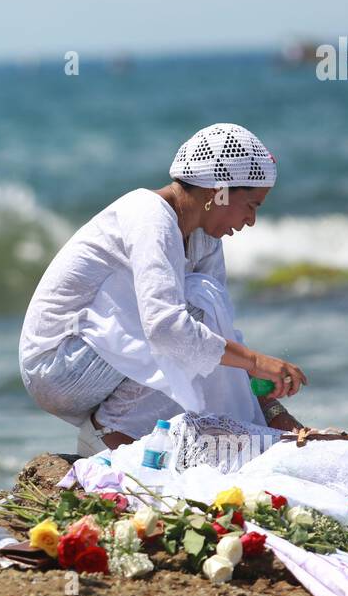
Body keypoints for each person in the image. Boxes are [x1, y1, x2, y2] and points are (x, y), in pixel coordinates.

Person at [19, 123, 308, 457]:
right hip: (58, 368)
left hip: (96, 362)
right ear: (220, 193)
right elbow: (166, 329)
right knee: (193, 308)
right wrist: (256, 362)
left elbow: (220, 329)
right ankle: (107, 431)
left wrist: (274, 412)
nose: (251, 221)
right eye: (252, 206)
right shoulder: (149, 215)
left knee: (204, 313)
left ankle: (139, 431)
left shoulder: (204, 238)